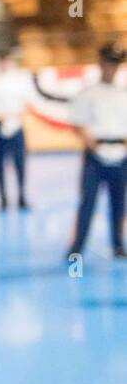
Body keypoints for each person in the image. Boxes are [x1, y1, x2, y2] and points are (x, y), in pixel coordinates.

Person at [67, 43, 127, 261]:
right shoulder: (88, 93)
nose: (111, 68)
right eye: (109, 62)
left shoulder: (123, 94)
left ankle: (118, 244)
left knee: (118, 202)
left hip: (120, 153)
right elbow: (77, 122)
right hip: (95, 153)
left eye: (116, 64)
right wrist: (90, 142)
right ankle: (77, 246)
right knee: (88, 202)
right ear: (101, 63)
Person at [0, 47, 35, 210]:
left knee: (20, 163)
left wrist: (15, 116)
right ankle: (3, 198)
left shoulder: (20, 80)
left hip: (15, 124)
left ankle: (21, 195)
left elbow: (26, 101)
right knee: (0, 164)